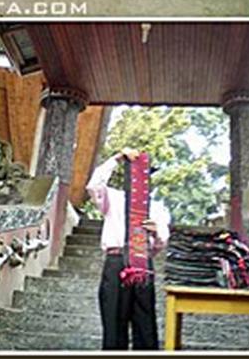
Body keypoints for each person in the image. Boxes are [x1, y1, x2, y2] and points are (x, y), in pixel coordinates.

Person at [86, 147, 170, 350]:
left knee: (145, 323)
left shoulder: (157, 207)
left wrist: (156, 232)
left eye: (144, 176)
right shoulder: (113, 198)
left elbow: (162, 242)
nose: (139, 180)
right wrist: (117, 158)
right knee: (113, 320)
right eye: (134, 174)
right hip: (116, 261)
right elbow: (93, 185)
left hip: (142, 263)